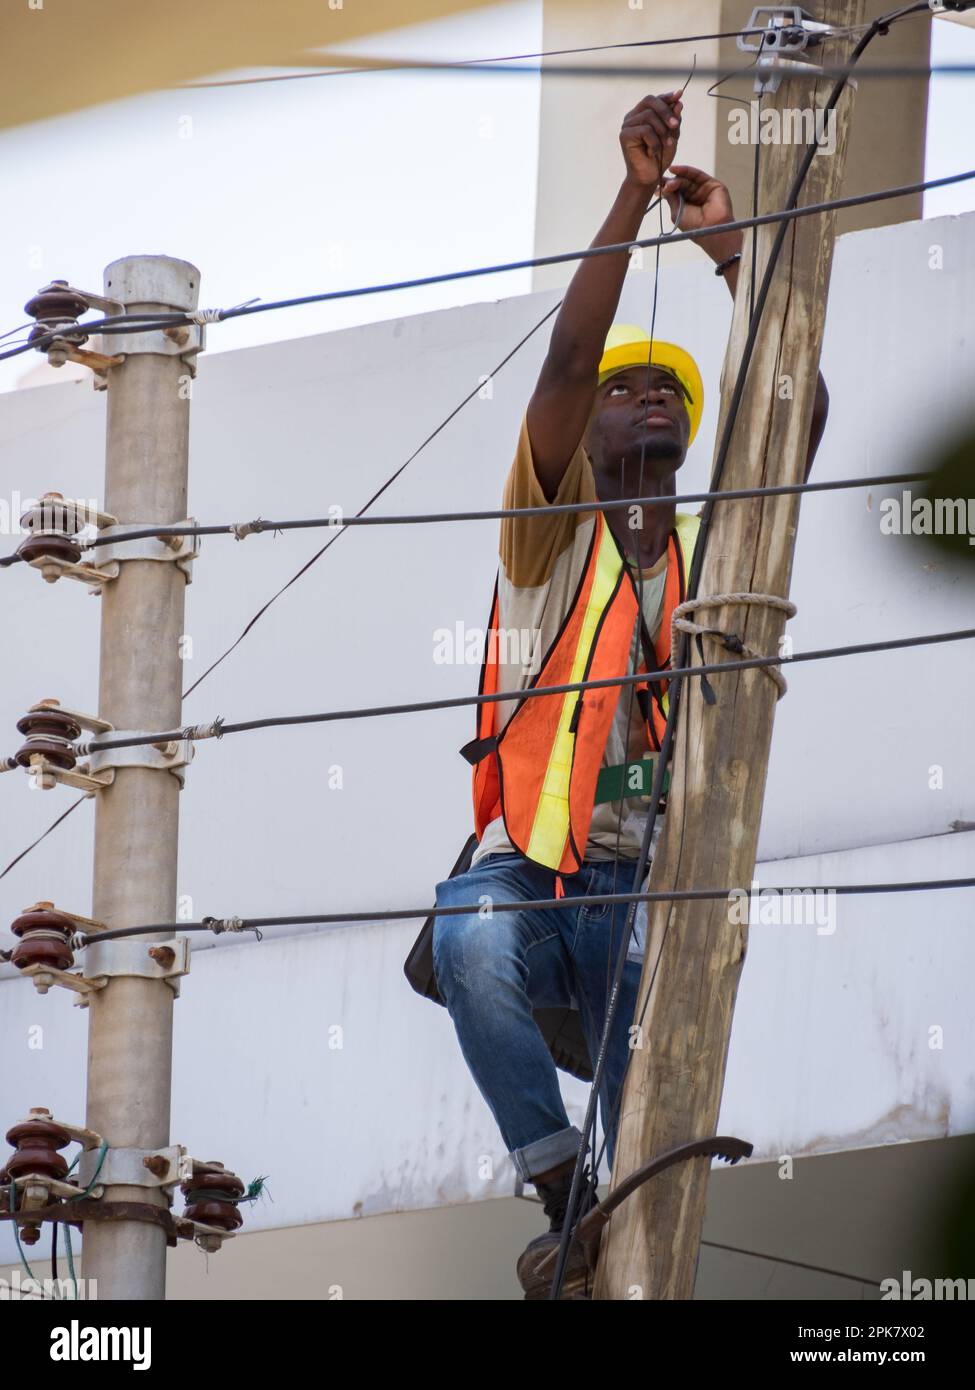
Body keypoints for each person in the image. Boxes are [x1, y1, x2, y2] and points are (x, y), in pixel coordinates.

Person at [430, 90, 829, 1299]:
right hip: (543, 869)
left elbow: (797, 408)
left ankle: (617, 1216)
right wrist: (633, 191)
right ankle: (565, 1189)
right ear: (586, 435)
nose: (647, 397)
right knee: (469, 929)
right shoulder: (548, 543)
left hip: (654, 880)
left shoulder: (721, 559)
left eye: (670, 395)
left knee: (652, 1094)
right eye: (623, 392)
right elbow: (563, 358)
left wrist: (725, 248)